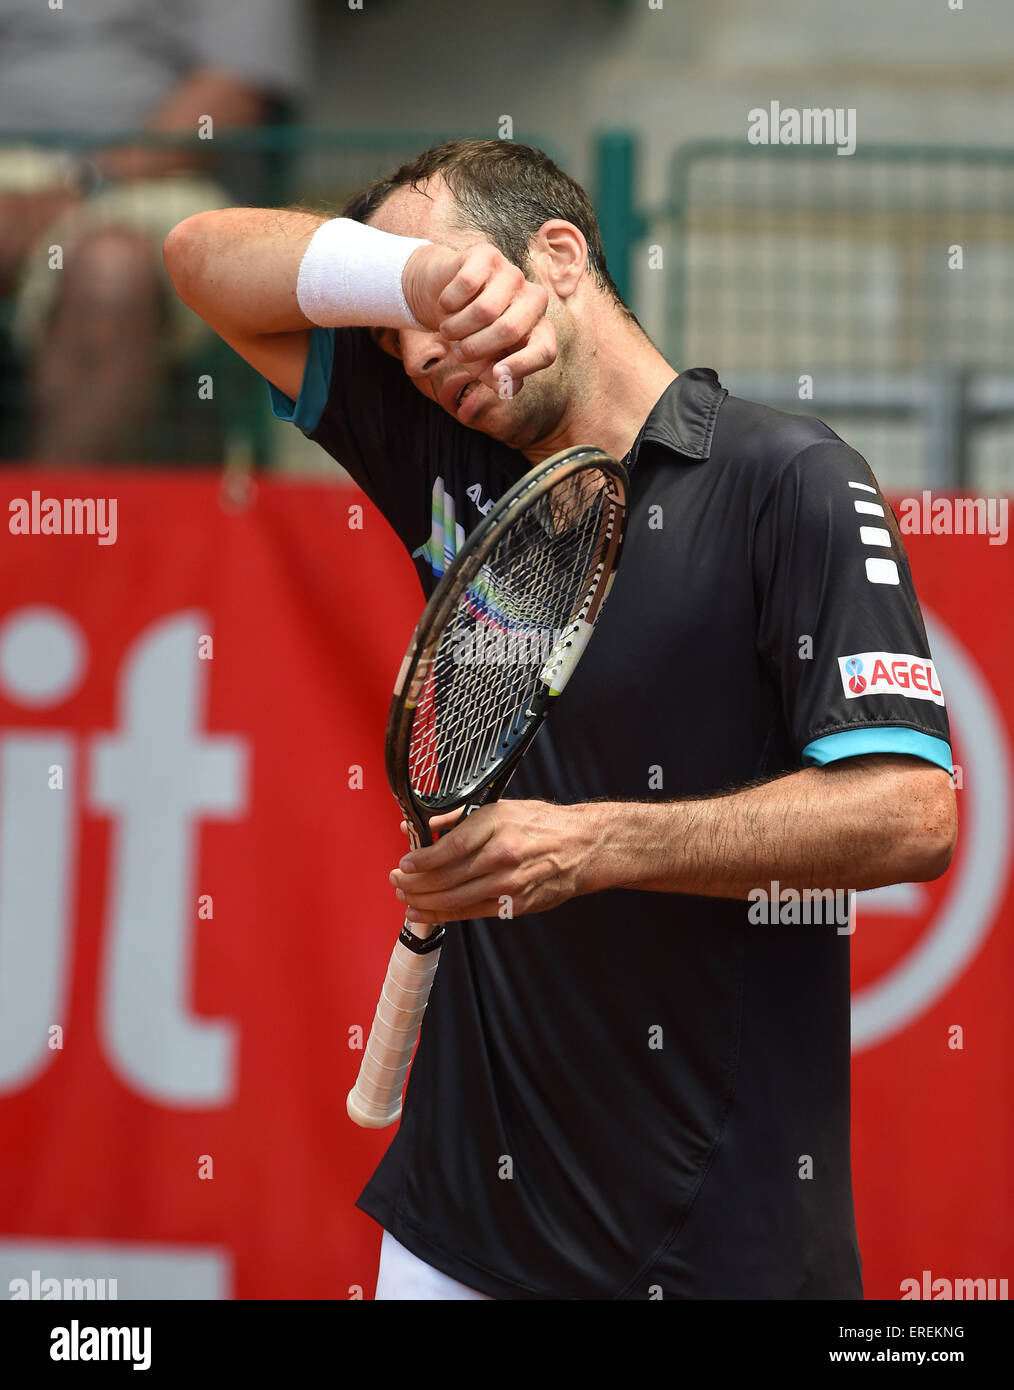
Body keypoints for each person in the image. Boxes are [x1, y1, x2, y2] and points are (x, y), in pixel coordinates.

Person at [164, 139, 958, 1300]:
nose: (422, 355)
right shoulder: (449, 453)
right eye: (394, 336)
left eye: (453, 282)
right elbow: (198, 258)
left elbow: (913, 812)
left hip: (713, 1254)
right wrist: (410, 282)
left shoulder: (788, 478)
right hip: (453, 1240)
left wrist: (594, 845)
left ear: (562, 255)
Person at [0, 0, 307, 463]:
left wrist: (83, 181)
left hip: (157, 174)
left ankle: (55, 524)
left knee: (111, 273)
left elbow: (232, 90)